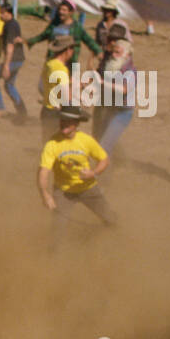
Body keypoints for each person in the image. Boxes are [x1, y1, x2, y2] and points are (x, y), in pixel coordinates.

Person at [37, 104, 115, 244]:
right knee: (57, 231)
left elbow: (104, 159)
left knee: (111, 219)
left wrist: (93, 173)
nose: (64, 124)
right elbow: (44, 171)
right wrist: (45, 194)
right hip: (63, 192)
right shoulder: (52, 144)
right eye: (62, 120)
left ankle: (115, 244)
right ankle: (54, 259)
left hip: (88, 188)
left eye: (68, 121)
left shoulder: (86, 140)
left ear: (76, 124)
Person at [94, 23, 135, 153]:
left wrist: (101, 83)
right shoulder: (112, 66)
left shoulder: (130, 70)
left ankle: (105, 171)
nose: (113, 55)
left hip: (122, 112)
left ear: (127, 55)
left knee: (105, 144)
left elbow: (124, 89)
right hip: (110, 109)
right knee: (101, 140)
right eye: (113, 52)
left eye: (118, 53)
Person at [28, 0, 100, 65]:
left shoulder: (77, 27)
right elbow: (43, 35)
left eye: (64, 10)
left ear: (71, 12)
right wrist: (29, 41)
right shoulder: (54, 24)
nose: (61, 12)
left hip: (70, 63)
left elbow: (89, 41)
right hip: (52, 61)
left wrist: (99, 52)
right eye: (60, 9)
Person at [39, 35, 76, 141]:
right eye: (72, 48)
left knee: (47, 145)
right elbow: (65, 97)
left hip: (46, 109)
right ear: (68, 50)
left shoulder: (49, 64)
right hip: (56, 113)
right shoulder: (61, 69)